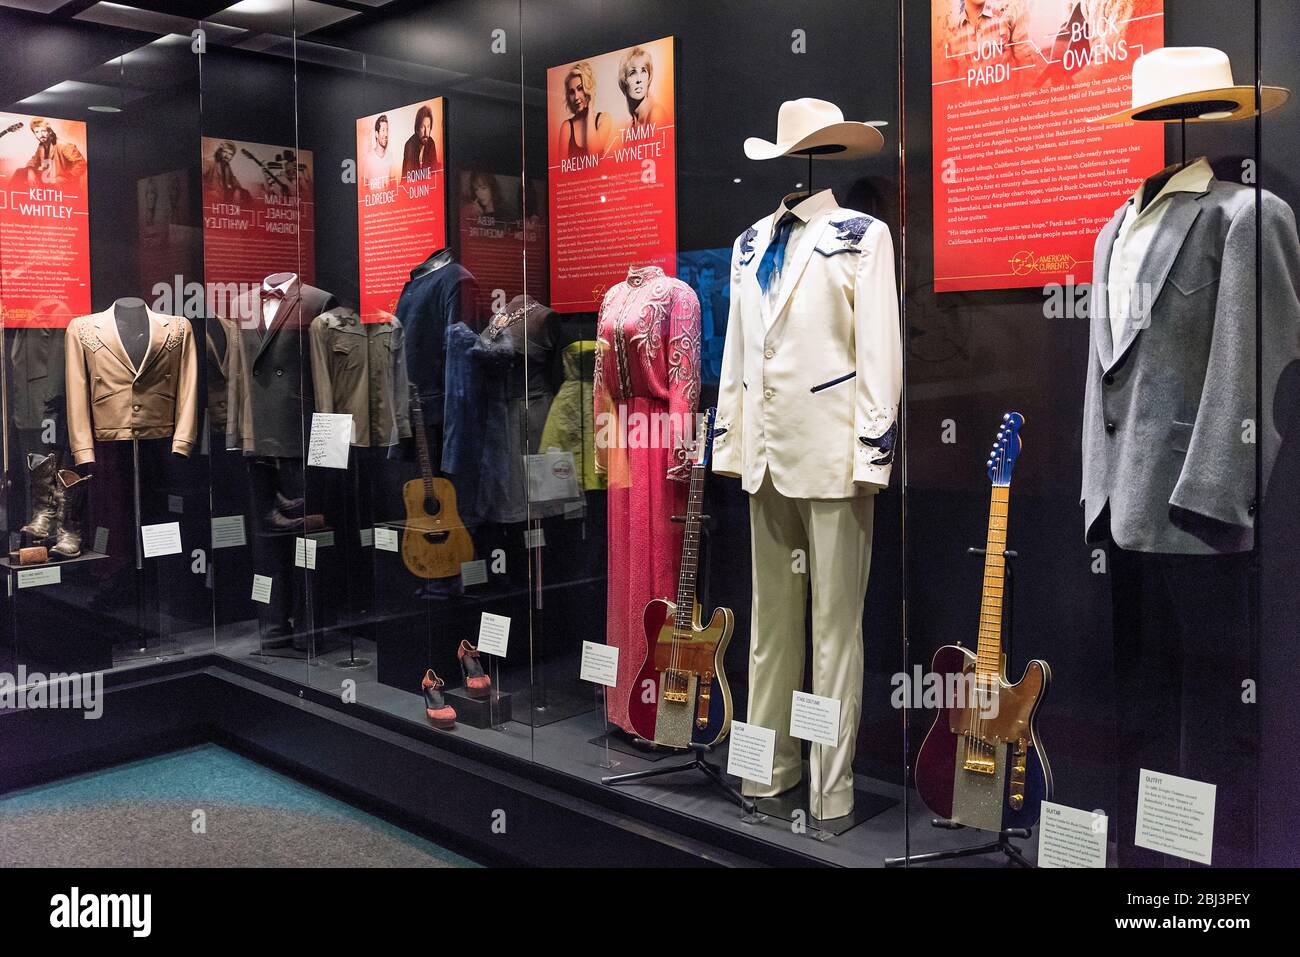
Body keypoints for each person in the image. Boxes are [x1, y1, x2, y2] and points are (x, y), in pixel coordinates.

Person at [556, 61, 611, 159]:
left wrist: (590, 108)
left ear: (589, 89)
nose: (576, 97)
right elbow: (561, 171)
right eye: (572, 92)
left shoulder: (604, 119)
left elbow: (594, 154)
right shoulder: (567, 127)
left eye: (580, 88)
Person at [617, 46, 668, 133]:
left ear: (649, 77)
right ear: (624, 80)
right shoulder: (629, 129)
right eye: (632, 73)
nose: (639, 79)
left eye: (643, 71)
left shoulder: (656, 113)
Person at [23, 118, 86, 188]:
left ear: (49, 131)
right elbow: (34, 160)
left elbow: (81, 164)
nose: (40, 135)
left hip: (65, 188)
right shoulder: (42, 147)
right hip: (49, 185)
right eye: (37, 132)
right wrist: (30, 171)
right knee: (20, 174)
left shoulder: (64, 146)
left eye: (43, 131)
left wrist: (65, 177)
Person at [401, 105, 439, 181]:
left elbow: (435, 173)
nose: (426, 132)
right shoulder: (409, 145)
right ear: (417, 129)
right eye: (422, 127)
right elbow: (407, 177)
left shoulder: (431, 143)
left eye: (428, 126)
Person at [361, 114, 392, 190]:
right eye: (383, 130)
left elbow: (393, 185)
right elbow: (363, 188)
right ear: (376, 134)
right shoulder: (368, 159)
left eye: (387, 130)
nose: (386, 134)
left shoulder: (390, 156)